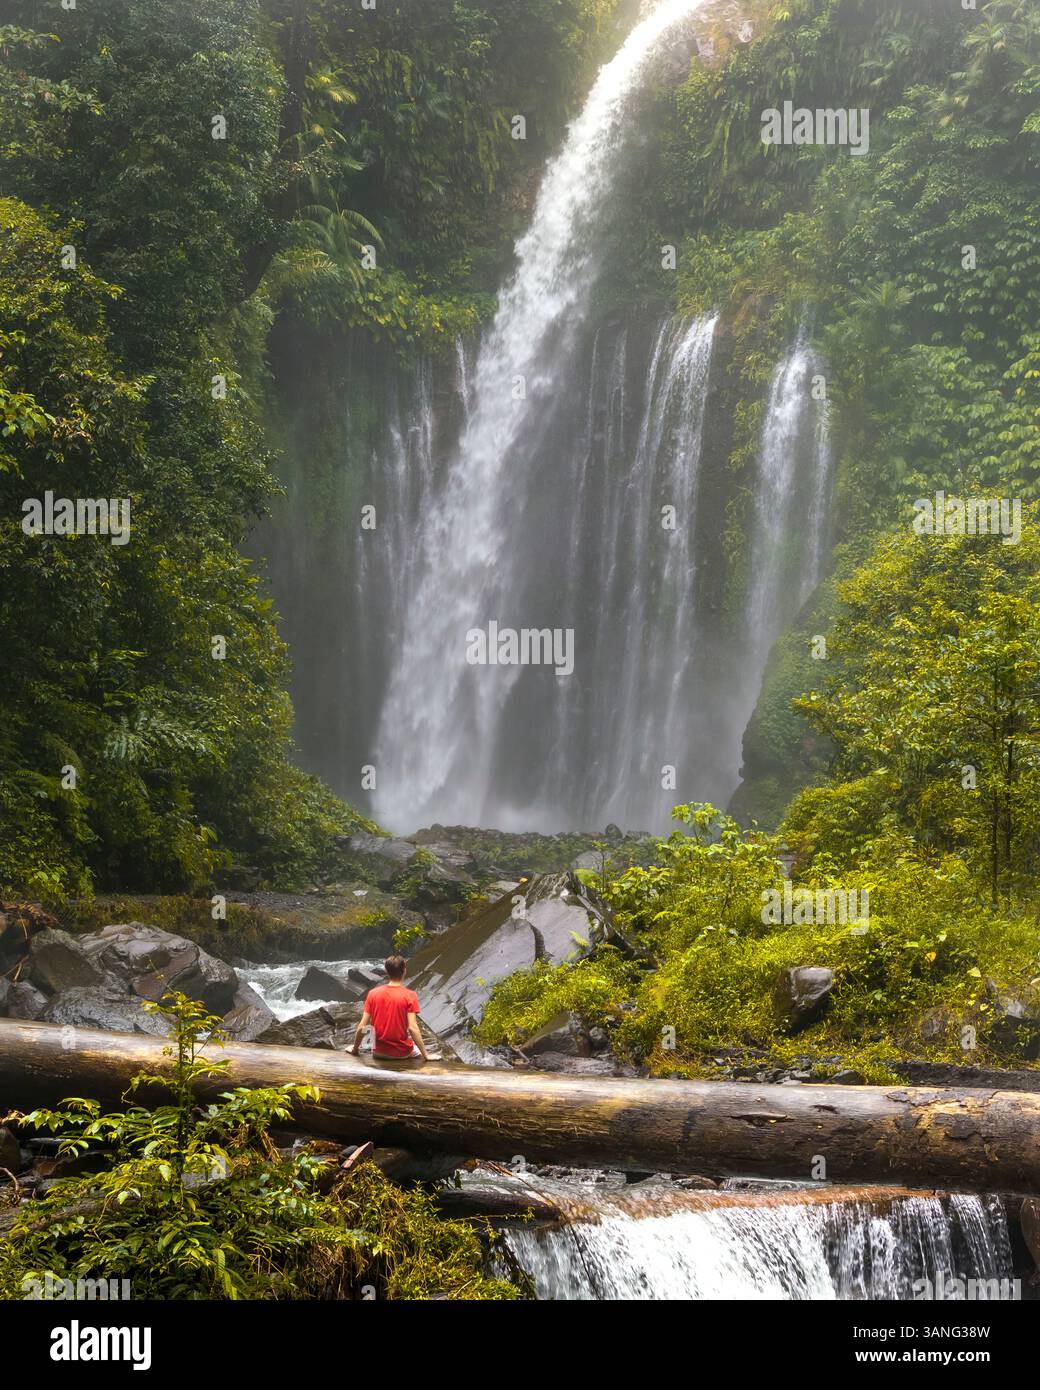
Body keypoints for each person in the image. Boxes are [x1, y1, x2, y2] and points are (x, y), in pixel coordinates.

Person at [350, 953, 429, 1060]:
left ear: (386, 971)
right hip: (401, 1053)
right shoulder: (410, 995)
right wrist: (426, 1055)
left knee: (369, 1030)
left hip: (377, 1052)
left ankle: (367, 1047)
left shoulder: (373, 993)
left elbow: (362, 1026)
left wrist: (355, 1049)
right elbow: (412, 1028)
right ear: (404, 971)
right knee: (415, 1048)